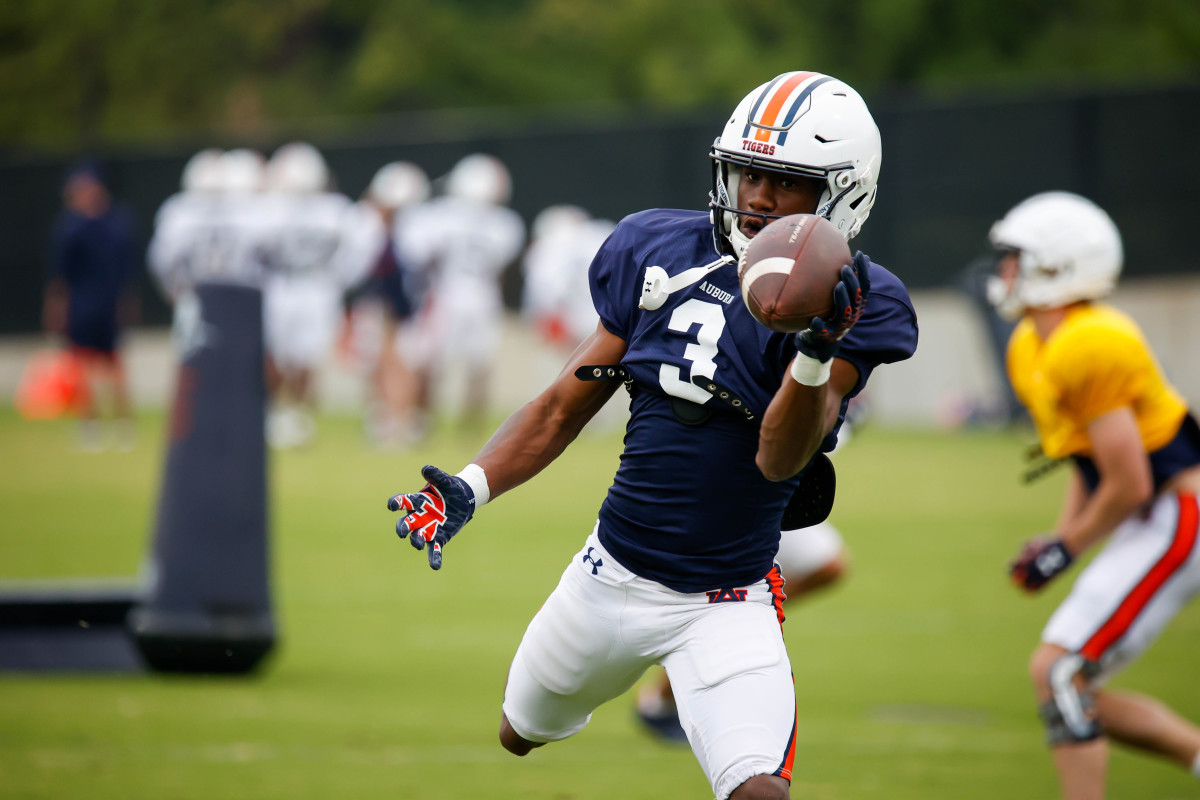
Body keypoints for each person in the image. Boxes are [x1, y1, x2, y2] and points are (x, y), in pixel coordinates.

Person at [386, 71, 917, 800]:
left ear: (841, 193)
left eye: (783, 181)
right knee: (519, 731)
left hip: (725, 601)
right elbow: (560, 406)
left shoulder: (862, 298)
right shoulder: (658, 246)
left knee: (758, 790)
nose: (756, 196)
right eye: (748, 171)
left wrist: (817, 350)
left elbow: (780, 457)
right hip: (604, 579)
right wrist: (470, 487)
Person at [989, 191, 1200, 800]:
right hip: (1153, 513)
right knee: (1062, 678)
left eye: (1014, 258)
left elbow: (1130, 482)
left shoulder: (1089, 342)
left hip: (1179, 511)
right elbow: (1088, 467)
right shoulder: (1033, 343)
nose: (1003, 271)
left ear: (1056, 265)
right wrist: (1061, 540)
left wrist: (1068, 547)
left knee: (1060, 672)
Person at [394, 153, 526, 436]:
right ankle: (471, 428)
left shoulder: (439, 216)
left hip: (447, 292)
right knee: (475, 364)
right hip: (481, 294)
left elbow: (419, 256)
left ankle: (422, 421)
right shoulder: (504, 223)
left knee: (436, 361)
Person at [44, 159, 139, 451]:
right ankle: (94, 424)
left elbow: (126, 270)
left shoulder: (104, 223)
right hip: (87, 303)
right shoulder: (83, 225)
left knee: (110, 364)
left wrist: (128, 302)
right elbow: (61, 275)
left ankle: (119, 424)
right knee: (85, 365)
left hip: (100, 303)